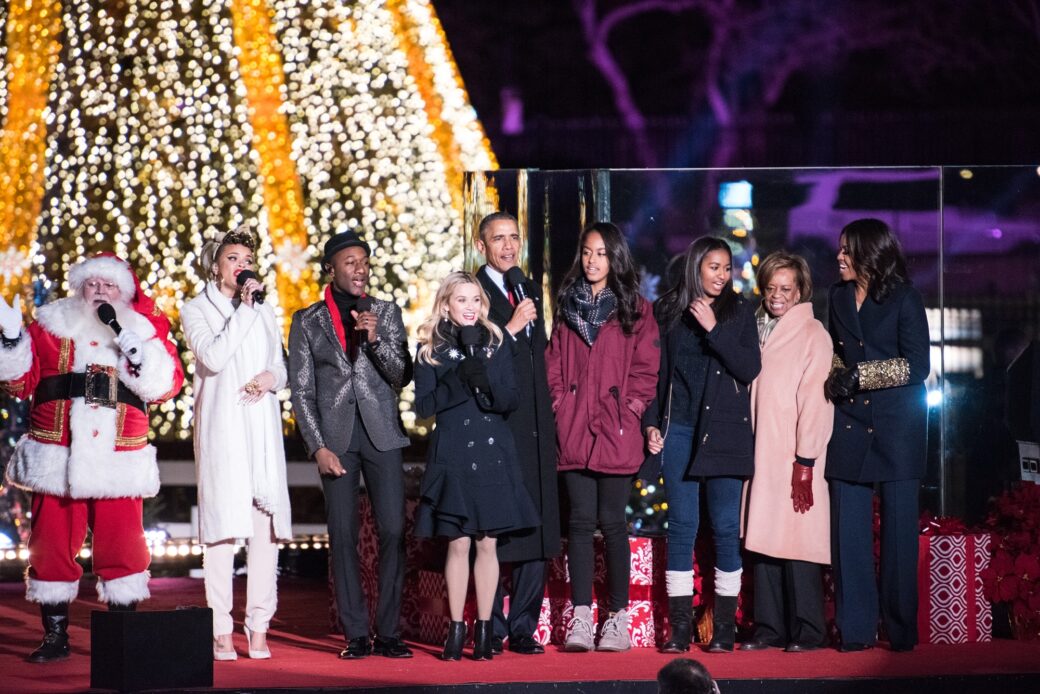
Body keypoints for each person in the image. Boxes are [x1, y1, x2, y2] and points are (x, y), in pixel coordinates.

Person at [0, 253, 183, 662]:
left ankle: (122, 633)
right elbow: (19, 382)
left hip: (119, 455)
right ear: (79, 288)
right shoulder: (49, 326)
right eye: (92, 284)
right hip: (58, 452)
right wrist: (11, 338)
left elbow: (168, 384)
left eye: (109, 285)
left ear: (125, 292)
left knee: (123, 546)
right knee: (49, 545)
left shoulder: (143, 329)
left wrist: (144, 359)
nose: (99, 291)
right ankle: (56, 635)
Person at [288, 230, 413, 660]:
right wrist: (317, 447)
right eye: (350, 262)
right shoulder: (307, 320)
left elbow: (400, 376)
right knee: (343, 536)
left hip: (382, 434)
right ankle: (356, 634)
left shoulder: (386, 312)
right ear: (331, 268)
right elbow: (301, 392)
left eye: (364, 261)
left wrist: (375, 339)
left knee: (394, 529)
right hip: (336, 440)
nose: (360, 269)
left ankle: (390, 631)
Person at [641, 237, 761, 654]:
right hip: (679, 430)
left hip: (725, 433)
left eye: (727, 268)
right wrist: (651, 423)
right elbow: (655, 376)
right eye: (714, 267)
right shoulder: (668, 310)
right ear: (696, 267)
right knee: (682, 528)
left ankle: (724, 629)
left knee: (726, 529)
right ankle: (679, 629)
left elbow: (748, 368)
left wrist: (714, 328)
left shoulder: (739, 310)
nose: (722, 275)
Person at [413, 271, 540, 661]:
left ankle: (486, 630)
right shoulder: (429, 349)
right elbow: (423, 409)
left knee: (488, 544)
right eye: (461, 300)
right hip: (452, 456)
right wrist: (457, 380)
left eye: (474, 300)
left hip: (493, 456)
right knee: (458, 543)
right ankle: (456, 629)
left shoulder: (497, 341)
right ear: (447, 305)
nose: (469, 307)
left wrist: (483, 382)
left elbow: (511, 399)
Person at [546, 221, 659, 653]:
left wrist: (629, 409)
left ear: (615, 258)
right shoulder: (567, 303)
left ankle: (617, 619)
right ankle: (579, 618)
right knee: (577, 523)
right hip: (574, 427)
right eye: (588, 252)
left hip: (615, 429)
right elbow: (553, 362)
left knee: (612, 523)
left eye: (601, 254)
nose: (593, 261)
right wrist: (560, 403)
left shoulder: (635, 308)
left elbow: (645, 370)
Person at [181, 228, 293, 661]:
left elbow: (279, 365)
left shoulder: (265, 310)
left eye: (247, 257)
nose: (241, 264)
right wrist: (245, 311)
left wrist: (272, 379)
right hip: (224, 428)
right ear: (216, 265)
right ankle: (220, 629)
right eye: (233, 258)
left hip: (261, 428)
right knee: (223, 533)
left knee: (265, 533)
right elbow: (212, 357)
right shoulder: (197, 309)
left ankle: (260, 625)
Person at [824, 218, 930, 653]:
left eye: (847, 249)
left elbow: (917, 365)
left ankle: (902, 633)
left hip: (897, 428)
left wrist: (859, 377)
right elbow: (832, 349)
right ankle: (856, 633)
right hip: (848, 425)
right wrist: (834, 376)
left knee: (899, 536)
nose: (839, 257)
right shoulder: (835, 296)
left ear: (869, 252)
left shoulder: (905, 296)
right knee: (848, 535)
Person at [474, 211, 560, 656]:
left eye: (513, 238)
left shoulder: (526, 289)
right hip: (495, 426)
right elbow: (469, 358)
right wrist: (509, 330)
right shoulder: (474, 292)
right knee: (496, 529)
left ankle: (525, 626)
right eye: (498, 239)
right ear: (482, 245)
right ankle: (492, 623)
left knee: (536, 526)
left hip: (535, 427)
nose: (507, 247)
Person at [741, 252, 833, 653]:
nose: (777, 296)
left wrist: (806, 459)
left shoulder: (813, 334)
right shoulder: (755, 327)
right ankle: (769, 629)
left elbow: (816, 400)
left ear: (801, 291)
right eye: (772, 288)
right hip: (760, 451)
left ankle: (809, 631)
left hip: (794, 455)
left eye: (786, 289)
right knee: (764, 543)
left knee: (797, 542)